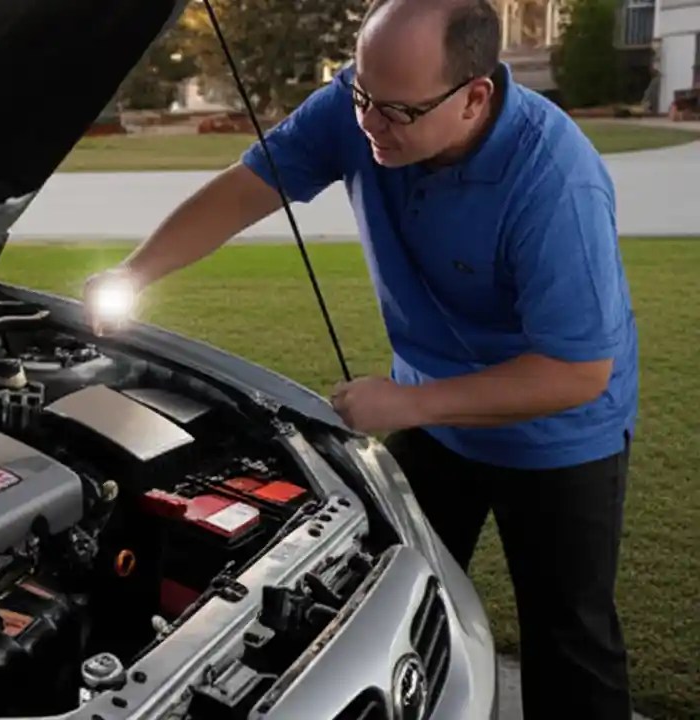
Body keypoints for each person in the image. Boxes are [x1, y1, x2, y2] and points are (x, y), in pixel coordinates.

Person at [82, 0, 639, 718]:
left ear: (475, 98)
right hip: (434, 417)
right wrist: (134, 273)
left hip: (559, 434)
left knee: (569, 641)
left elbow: (576, 372)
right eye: (361, 95)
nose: (370, 122)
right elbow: (246, 190)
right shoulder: (368, 102)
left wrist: (409, 404)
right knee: (382, 595)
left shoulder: (556, 180)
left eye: (398, 111)